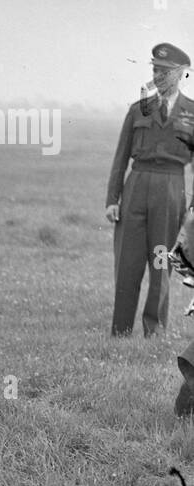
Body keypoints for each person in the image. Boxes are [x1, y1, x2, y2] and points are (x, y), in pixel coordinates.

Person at [106, 42, 194, 336]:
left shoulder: (192, 113)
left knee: (161, 262)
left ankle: (153, 331)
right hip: (136, 188)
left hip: (171, 191)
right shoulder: (138, 110)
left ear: (180, 74)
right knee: (127, 264)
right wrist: (112, 200)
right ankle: (120, 331)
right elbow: (121, 157)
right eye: (155, 70)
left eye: (164, 72)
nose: (158, 76)